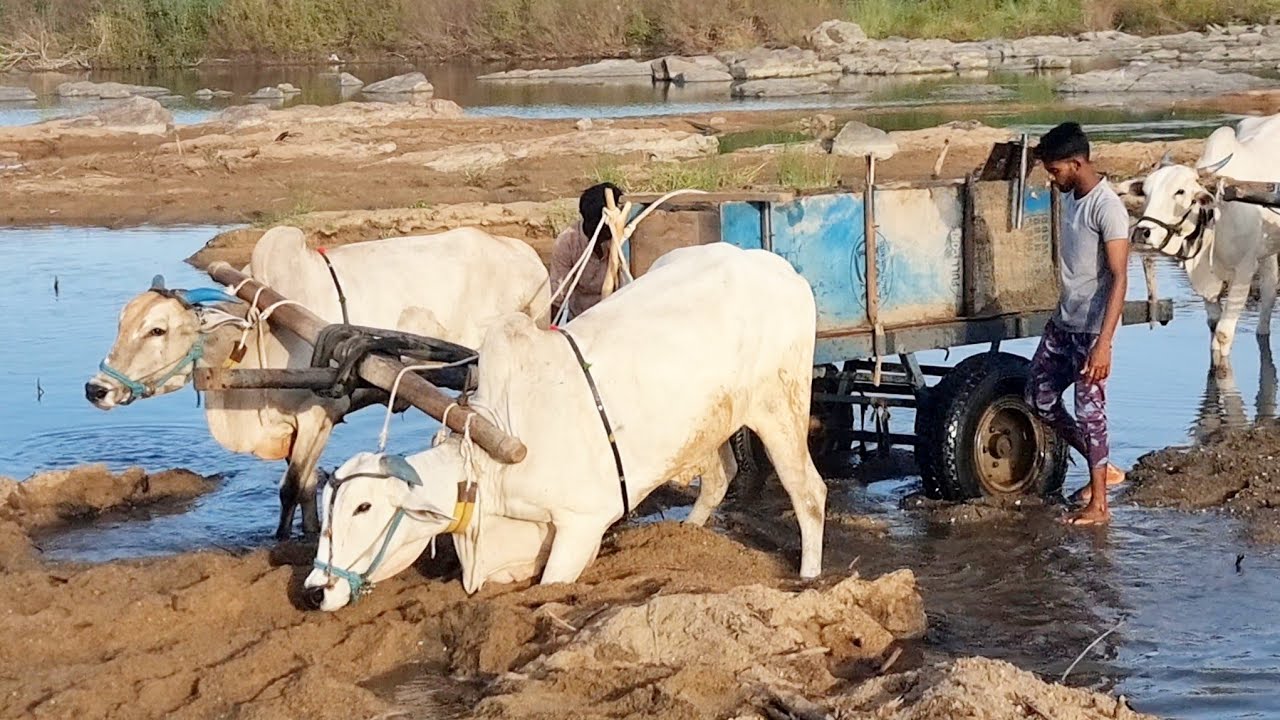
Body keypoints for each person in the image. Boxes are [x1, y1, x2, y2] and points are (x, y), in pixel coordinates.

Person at [1028, 122, 1130, 526]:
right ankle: (1104, 466)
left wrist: (1104, 344)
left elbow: (1120, 276)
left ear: (1076, 162)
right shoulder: (1072, 197)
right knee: (1038, 396)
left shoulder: (1108, 209)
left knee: (1090, 414)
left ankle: (1099, 504)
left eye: (1055, 172)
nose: (1053, 180)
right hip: (1063, 322)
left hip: (1091, 331)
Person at [549, 182, 624, 322]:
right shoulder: (567, 243)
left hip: (618, 318)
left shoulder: (625, 240)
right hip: (579, 320)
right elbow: (558, 297)